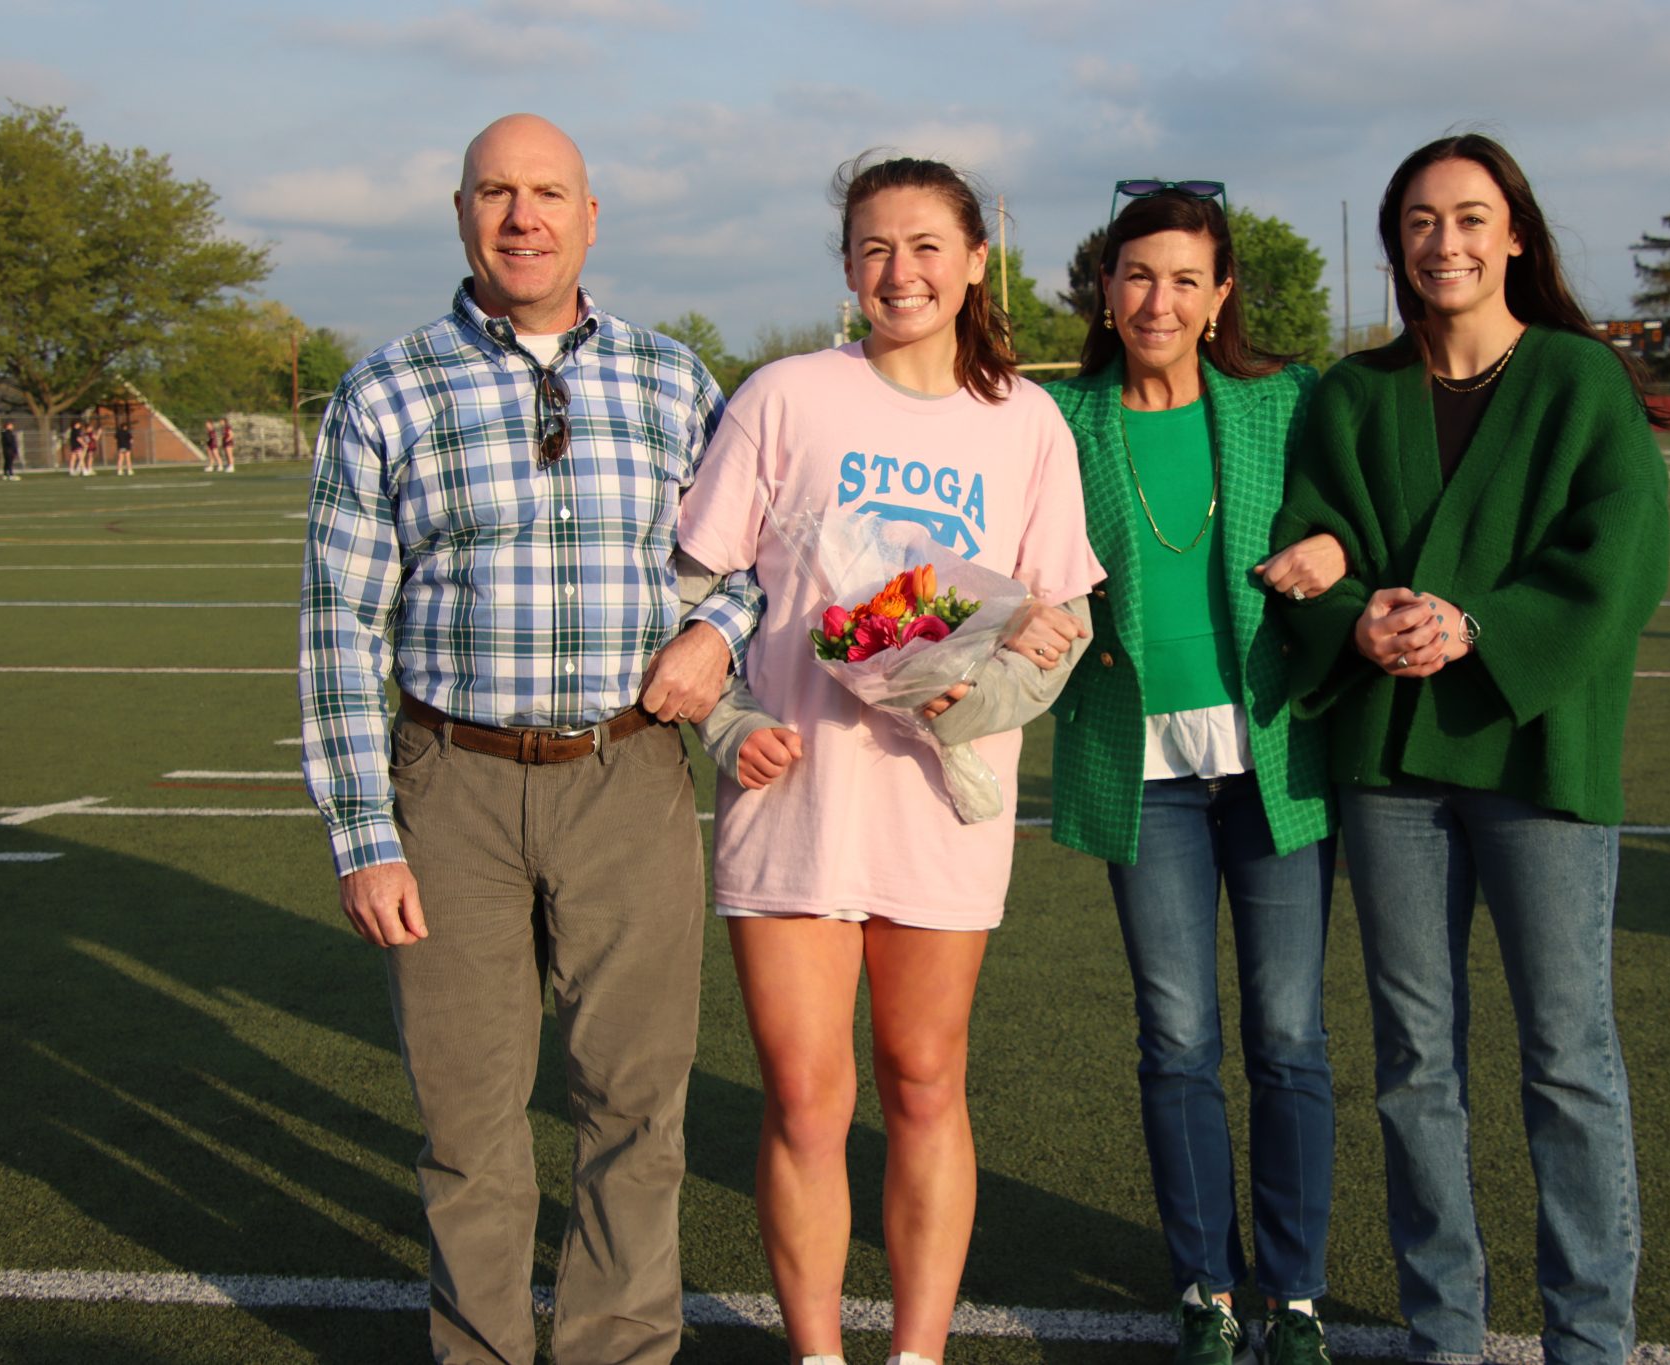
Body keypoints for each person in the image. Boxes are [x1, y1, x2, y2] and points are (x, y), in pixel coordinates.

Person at [299, 113, 758, 1365]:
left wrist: (714, 631)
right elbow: (339, 626)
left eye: (548, 192)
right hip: (450, 784)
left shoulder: (673, 381)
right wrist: (363, 833)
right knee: (468, 1123)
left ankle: (617, 1349)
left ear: (590, 215)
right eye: (495, 192)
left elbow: (752, 556)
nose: (522, 216)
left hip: (626, 779)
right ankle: (484, 1352)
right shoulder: (386, 389)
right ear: (459, 212)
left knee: (635, 1105)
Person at [677, 153, 1103, 1365]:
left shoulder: (1025, 420)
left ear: (975, 261)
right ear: (847, 266)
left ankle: (917, 1356)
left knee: (923, 1083)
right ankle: (818, 1354)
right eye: (872, 247)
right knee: (807, 1101)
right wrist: (724, 722)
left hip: (940, 803)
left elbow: (1057, 625)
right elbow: (704, 591)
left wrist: (981, 690)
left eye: (925, 246)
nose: (898, 271)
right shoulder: (784, 396)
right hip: (791, 792)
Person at [1276, 134, 1670, 1365]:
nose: (1443, 242)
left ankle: (1586, 1339)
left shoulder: (1575, 379)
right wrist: (1366, 617)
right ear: (1395, 242)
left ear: (1512, 235)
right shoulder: (1351, 394)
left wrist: (1474, 624)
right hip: (1390, 769)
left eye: (1468, 218)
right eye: (1418, 221)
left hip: (1534, 753)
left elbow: (1618, 564)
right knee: (1411, 1065)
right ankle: (1443, 1334)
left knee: (1565, 1060)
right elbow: (1304, 550)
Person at [1045, 181, 1342, 1365]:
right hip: (1140, 767)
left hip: (1272, 760)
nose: (1156, 299)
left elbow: (1355, 518)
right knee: (1175, 1038)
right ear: (1104, 292)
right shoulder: (1055, 415)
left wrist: (1334, 549)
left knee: (1289, 1038)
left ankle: (1298, 1293)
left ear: (1219, 295)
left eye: (1183, 279)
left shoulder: (1283, 402)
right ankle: (1204, 1291)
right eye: (1134, 275)